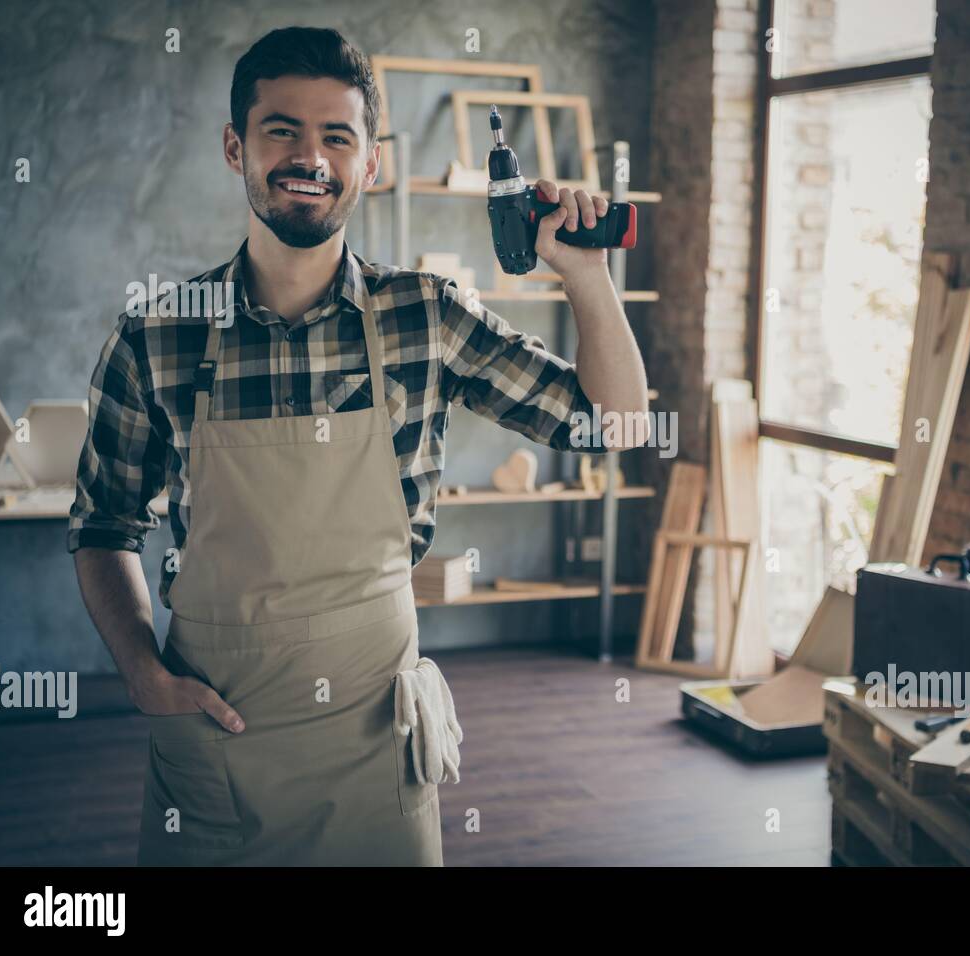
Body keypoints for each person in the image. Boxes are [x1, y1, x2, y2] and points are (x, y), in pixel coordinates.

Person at [68, 26, 649, 866]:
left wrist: (586, 276)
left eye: (337, 136)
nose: (310, 156)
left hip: (378, 744)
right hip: (215, 736)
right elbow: (103, 525)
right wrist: (140, 673)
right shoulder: (158, 331)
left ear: (370, 163)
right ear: (236, 147)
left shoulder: (428, 317)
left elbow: (617, 425)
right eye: (281, 130)